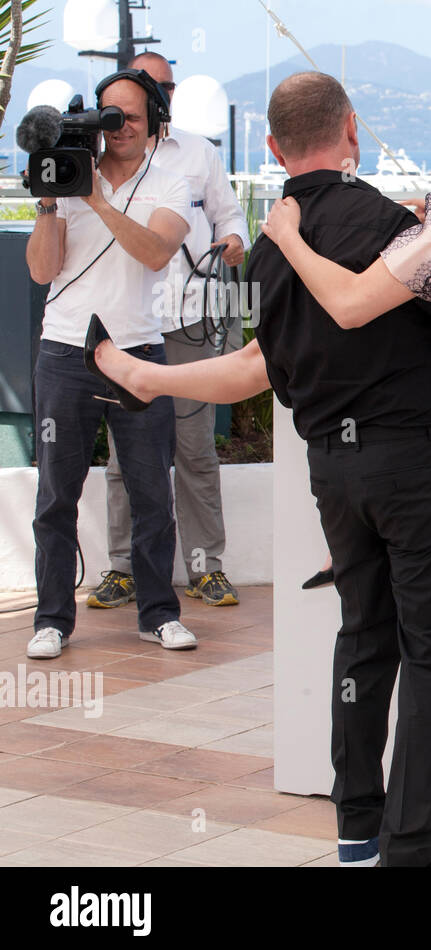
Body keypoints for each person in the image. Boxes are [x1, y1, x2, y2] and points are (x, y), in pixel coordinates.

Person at [89, 68, 431, 865]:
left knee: (363, 639)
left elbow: (253, 370)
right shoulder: (401, 225)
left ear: (273, 146)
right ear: (351, 130)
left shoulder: (270, 253)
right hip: (412, 463)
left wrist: (152, 377)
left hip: (331, 473)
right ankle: (408, 852)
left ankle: (356, 834)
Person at [24, 69, 195, 660]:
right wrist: (52, 198)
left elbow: (155, 252)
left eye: (128, 117)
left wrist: (96, 198)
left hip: (137, 353)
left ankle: (158, 614)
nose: (115, 127)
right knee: (55, 493)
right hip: (64, 349)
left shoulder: (171, 181)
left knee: (152, 491)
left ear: (153, 124)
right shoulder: (67, 176)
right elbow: (42, 272)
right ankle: (51, 619)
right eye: (106, 114)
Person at [91, 51, 251, 613]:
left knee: (195, 451)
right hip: (127, 325)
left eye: (161, 86)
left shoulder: (198, 153)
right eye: (141, 86)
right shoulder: (99, 156)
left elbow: (233, 219)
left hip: (186, 323)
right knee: (123, 459)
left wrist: (233, 242)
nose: (154, 96)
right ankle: (121, 569)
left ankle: (206, 568)